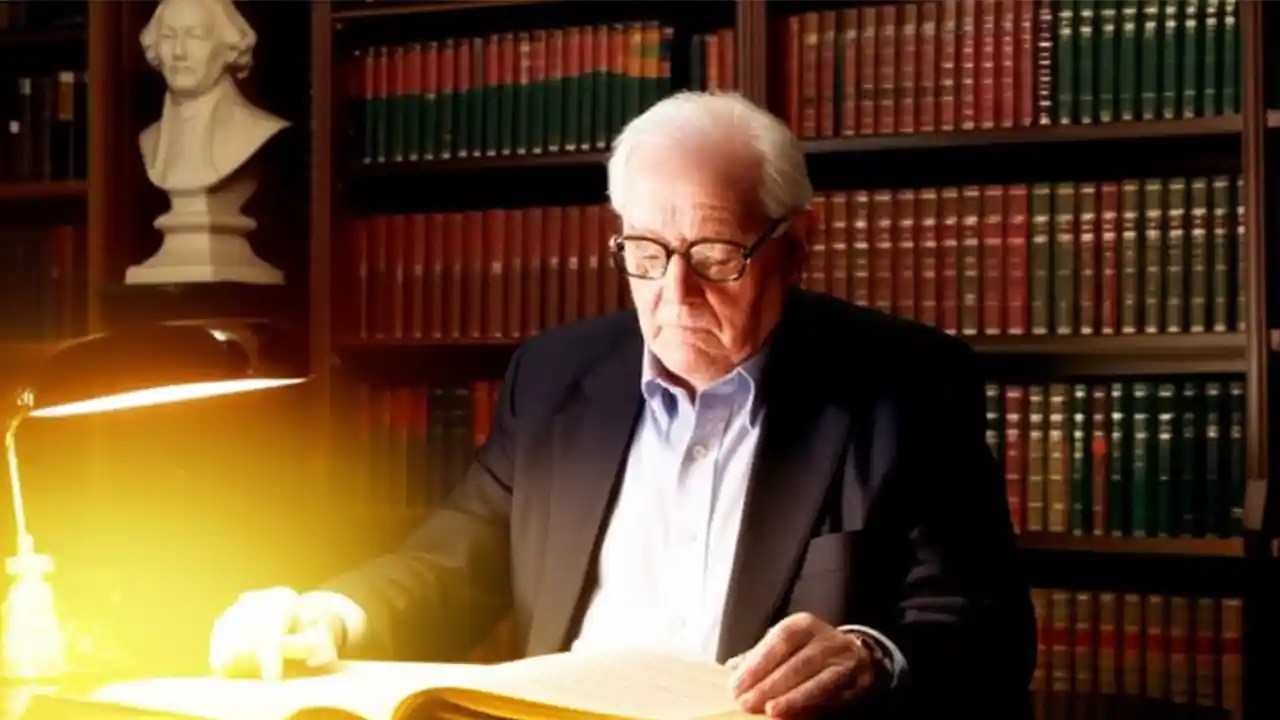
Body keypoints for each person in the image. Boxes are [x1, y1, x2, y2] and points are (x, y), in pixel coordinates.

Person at [209, 91, 1036, 715]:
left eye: (714, 254)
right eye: (645, 251)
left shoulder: (906, 383)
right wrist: (327, 614)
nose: (676, 293)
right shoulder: (555, 374)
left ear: (793, 250)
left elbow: (983, 629)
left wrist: (869, 655)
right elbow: (455, 563)